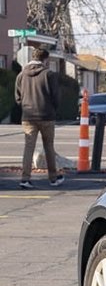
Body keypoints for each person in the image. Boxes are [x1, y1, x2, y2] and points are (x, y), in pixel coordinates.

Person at [15, 47, 63, 189]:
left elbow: (18, 97)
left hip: (28, 116)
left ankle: (25, 178)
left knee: (28, 147)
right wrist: (54, 109)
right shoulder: (49, 74)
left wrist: (25, 107)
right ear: (45, 59)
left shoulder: (21, 75)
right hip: (46, 115)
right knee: (48, 147)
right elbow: (56, 97)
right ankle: (53, 178)